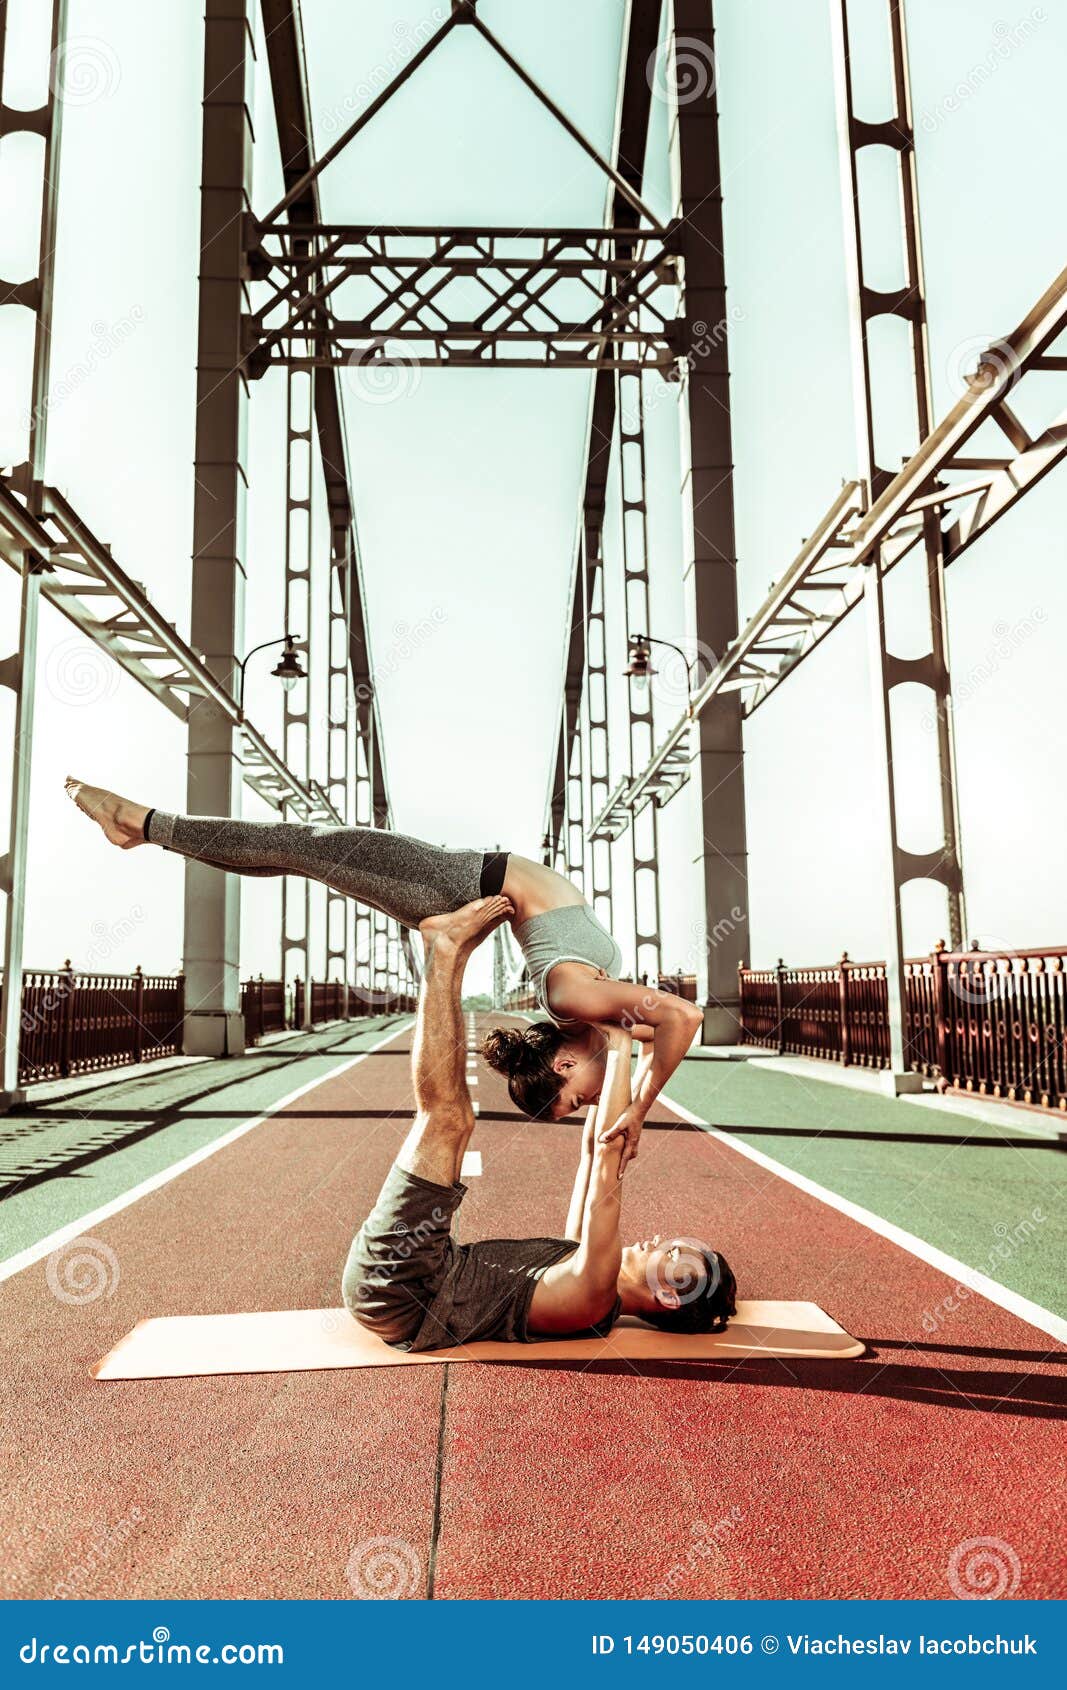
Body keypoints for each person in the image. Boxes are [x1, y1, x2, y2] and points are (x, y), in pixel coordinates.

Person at [65, 777, 703, 1164]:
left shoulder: (580, 1007)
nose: (598, 1099)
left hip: (449, 885)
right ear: (563, 1063)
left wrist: (631, 1104)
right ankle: (141, 824)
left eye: (584, 1101)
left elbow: (659, 1032)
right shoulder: (574, 998)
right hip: (447, 880)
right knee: (300, 847)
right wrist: (638, 1111)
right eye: (584, 1101)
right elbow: (683, 1016)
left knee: (300, 850)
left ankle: (142, 827)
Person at [340, 894, 736, 1353]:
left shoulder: (593, 1292)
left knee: (450, 1120)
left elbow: (609, 1153)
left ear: (668, 1295)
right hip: (418, 1275)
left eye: (676, 1258)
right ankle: (446, 950)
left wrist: (620, 1035)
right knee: (452, 1121)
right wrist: (638, 1042)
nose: (663, 1242)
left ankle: (444, 953)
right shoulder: (579, 1261)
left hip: (404, 1287)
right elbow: (593, 1151)